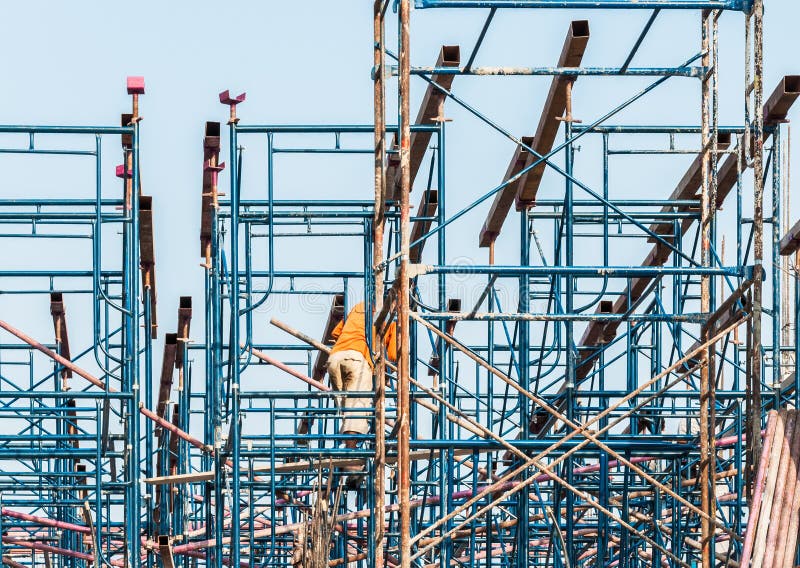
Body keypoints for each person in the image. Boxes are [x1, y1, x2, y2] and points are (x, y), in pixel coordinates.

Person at [327, 301, 397, 450]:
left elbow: (336, 332)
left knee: (347, 409)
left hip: (335, 358)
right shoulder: (394, 317)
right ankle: (351, 455)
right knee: (358, 407)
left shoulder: (360, 305)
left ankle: (347, 450)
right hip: (357, 359)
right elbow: (392, 355)